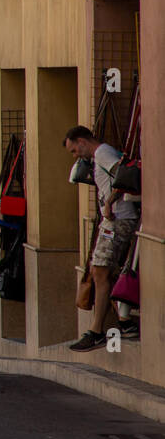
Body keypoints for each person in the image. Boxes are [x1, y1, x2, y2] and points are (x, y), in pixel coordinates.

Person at [64, 125, 141, 350]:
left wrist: (109, 202)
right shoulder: (101, 155)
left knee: (100, 270)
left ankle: (97, 331)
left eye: (74, 151)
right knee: (106, 271)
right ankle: (124, 322)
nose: (76, 156)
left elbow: (123, 175)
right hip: (114, 220)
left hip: (117, 220)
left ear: (82, 141)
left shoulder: (103, 153)